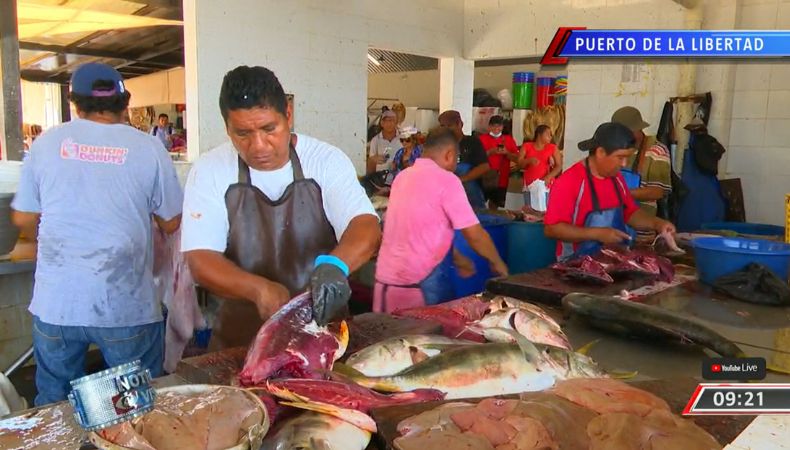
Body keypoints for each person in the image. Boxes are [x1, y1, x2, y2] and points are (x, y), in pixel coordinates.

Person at [10, 62, 183, 405]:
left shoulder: (46, 144)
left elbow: (23, 217)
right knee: (136, 406)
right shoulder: (148, 148)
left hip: (57, 305)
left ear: (75, 103)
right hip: (125, 305)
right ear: (125, 103)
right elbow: (171, 222)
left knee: (55, 403)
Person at [181, 66, 381, 350]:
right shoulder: (210, 169)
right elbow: (200, 259)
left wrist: (335, 266)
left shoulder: (325, 160)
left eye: (269, 129)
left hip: (322, 334)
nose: (258, 146)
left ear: (288, 114)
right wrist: (256, 289)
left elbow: (365, 225)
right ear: (227, 127)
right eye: (242, 133)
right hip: (242, 342)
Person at [374, 127, 508, 313]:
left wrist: (458, 258)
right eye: (457, 159)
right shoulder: (448, 181)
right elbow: (474, 234)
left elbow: (421, 230)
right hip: (420, 286)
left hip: (385, 284)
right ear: (449, 154)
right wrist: (497, 262)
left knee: (386, 331)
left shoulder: (403, 177)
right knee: (437, 331)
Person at [544, 122, 675, 261]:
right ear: (600, 152)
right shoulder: (569, 181)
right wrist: (597, 234)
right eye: (620, 157)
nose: (624, 164)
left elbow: (630, 213)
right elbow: (552, 229)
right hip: (575, 263)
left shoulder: (616, 178)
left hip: (612, 260)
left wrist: (657, 224)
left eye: (627, 157)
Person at [611, 106, 672, 219]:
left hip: (642, 222)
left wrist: (620, 193)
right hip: (614, 218)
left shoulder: (656, 151)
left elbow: (657, 192)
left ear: (638, 129)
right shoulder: (615, 148)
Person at [438, 110, 490, 209]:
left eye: (449, 125)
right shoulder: (440, 145)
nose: (446, 129)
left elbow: (484, 166)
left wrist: (461, 179)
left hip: (470, 195)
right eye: (442, 126)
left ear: (460, 124)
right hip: (446, 191)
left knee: (463, 168)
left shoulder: (472, 142)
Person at [478, 115, 519, 208]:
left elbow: (517, 159)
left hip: (501, 178)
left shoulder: (509, 140)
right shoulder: (481, 139)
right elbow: (476, 157)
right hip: (484, 176)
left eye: (499, 126)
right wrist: (490, 152)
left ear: (502, 127)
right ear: (489, 127)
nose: (496, 128)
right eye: (493, 125)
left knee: (495, 204)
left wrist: (507, 153)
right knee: (479, 202)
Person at [519, 124, 563, 210]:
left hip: (546, 185)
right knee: (529, 211)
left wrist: (549, 177)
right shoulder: (526, 146)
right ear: (539, 134)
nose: (550, 136)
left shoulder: (552, 148)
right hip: (529, 184)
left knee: (545, 210)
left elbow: (559, 166)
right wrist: (528, 160)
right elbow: (519, 163)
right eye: (548, 134)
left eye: (551, 134)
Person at [368, 110, 400, 175]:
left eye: (392, 121)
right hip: (381, 178)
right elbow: (371, 161)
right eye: (386, 121)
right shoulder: (375, 140)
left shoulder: (403, 138)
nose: (389, 124)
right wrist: (374, 159)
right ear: (382, 123)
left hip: (400, 178)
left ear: (396, 123)